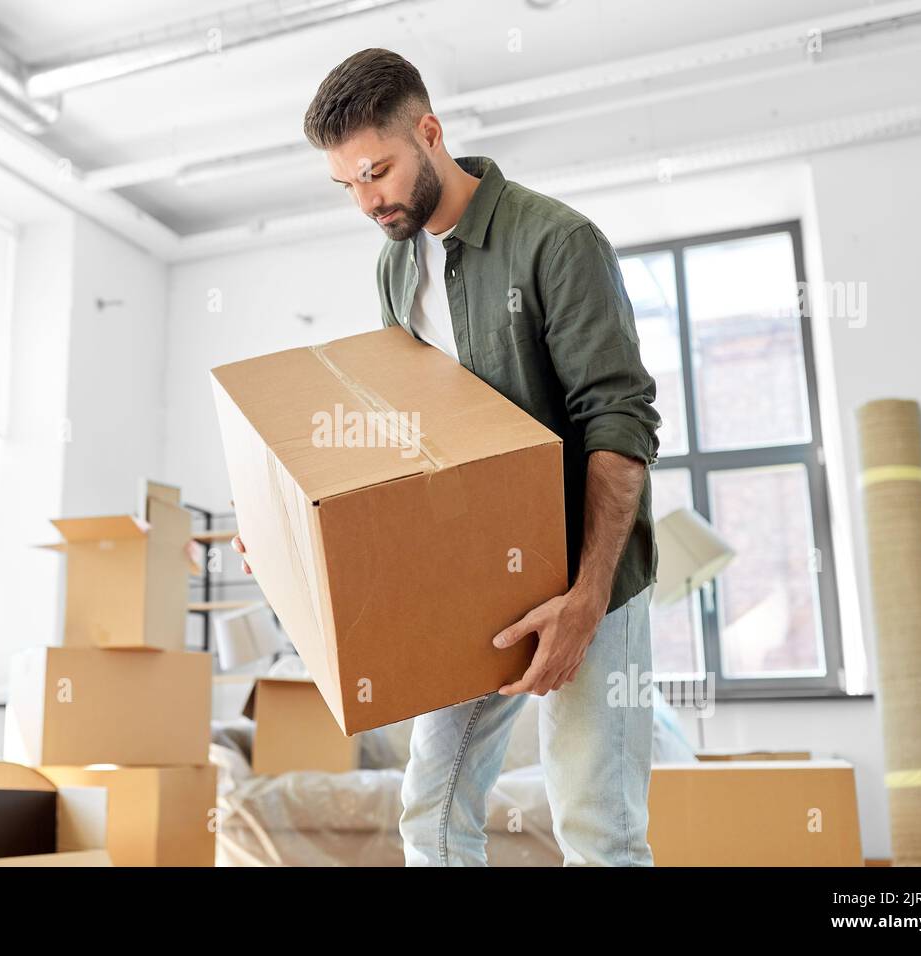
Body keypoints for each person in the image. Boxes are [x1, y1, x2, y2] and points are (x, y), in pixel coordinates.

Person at [234, 48, 662, 866]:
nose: (367, 200)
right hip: (475, 581)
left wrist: (586, 594)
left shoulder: (558, 241)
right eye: (348, 185)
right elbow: (405, 443)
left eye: (378, 172)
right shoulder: (396, 268)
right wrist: (283, 528)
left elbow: (618, 422)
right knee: (429, 816)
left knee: (598, 832)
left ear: (430, 133)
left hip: (591, 583)